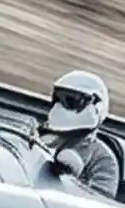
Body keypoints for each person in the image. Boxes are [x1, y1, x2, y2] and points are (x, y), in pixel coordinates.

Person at [41, 69, 119, 199]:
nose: (60, 107)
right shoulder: (40, 135)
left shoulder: (103, 159)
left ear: (96, 107)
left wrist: (71, 181)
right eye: (58, 99)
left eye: (70, 100)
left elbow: (102, 202)